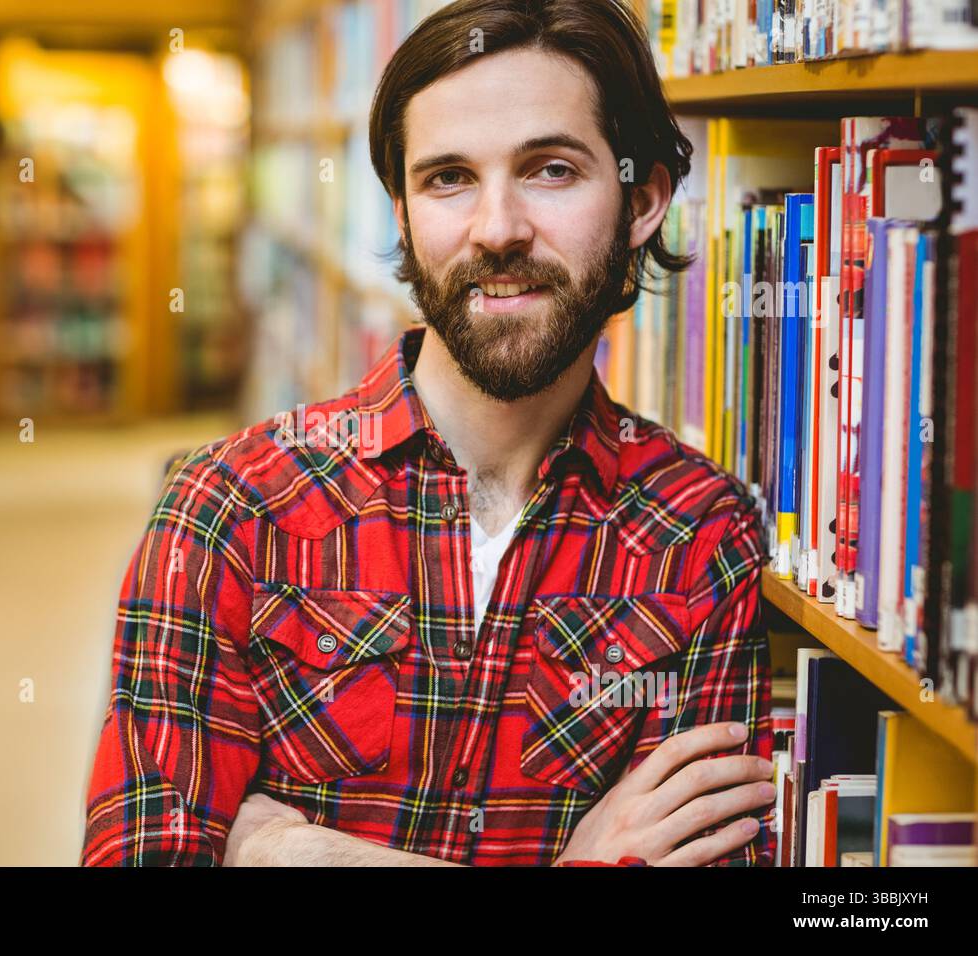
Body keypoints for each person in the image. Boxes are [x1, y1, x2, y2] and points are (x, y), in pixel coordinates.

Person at [81, 0, 775, 867]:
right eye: (449, 178)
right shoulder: (229, 507)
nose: (497, 229)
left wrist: (311, 858)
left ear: (641, 203)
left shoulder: (703, 533)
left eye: (551, 170)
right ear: (403, 215)